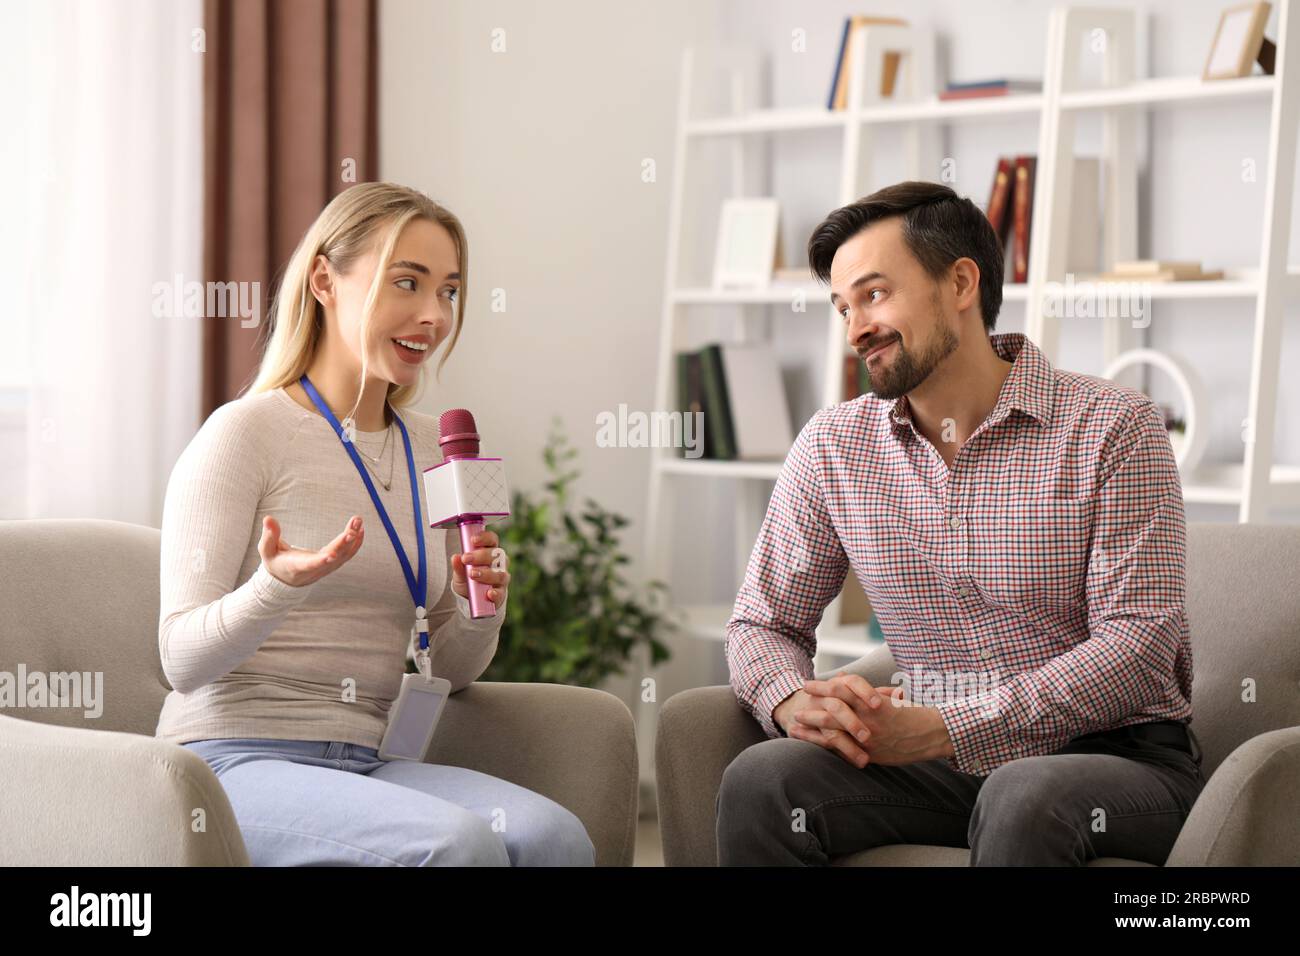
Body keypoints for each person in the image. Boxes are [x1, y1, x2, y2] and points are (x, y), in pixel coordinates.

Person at [718, 180, 1204, 866]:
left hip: (1118, 762)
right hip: (945, 769)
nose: (856, 328)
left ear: (961, 283)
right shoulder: (833, 447)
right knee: (763, 780)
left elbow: (1138, 646)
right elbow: (762, 623)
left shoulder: (1113, 427)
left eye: (875, 293)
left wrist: (947, 727)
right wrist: (792, 698)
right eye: (843, 306)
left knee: (1023, 794)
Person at [155, 181, 594, 866]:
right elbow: (180, 660)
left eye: (448, 291)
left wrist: (482, 611)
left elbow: (446, 670)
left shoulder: (434, 448)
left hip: (368, 757)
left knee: (556, 839)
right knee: (460, 847)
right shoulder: (244, 433)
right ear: (325, 280)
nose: (432, 315)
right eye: (406, 283)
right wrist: (275, 586)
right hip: (229, 762)